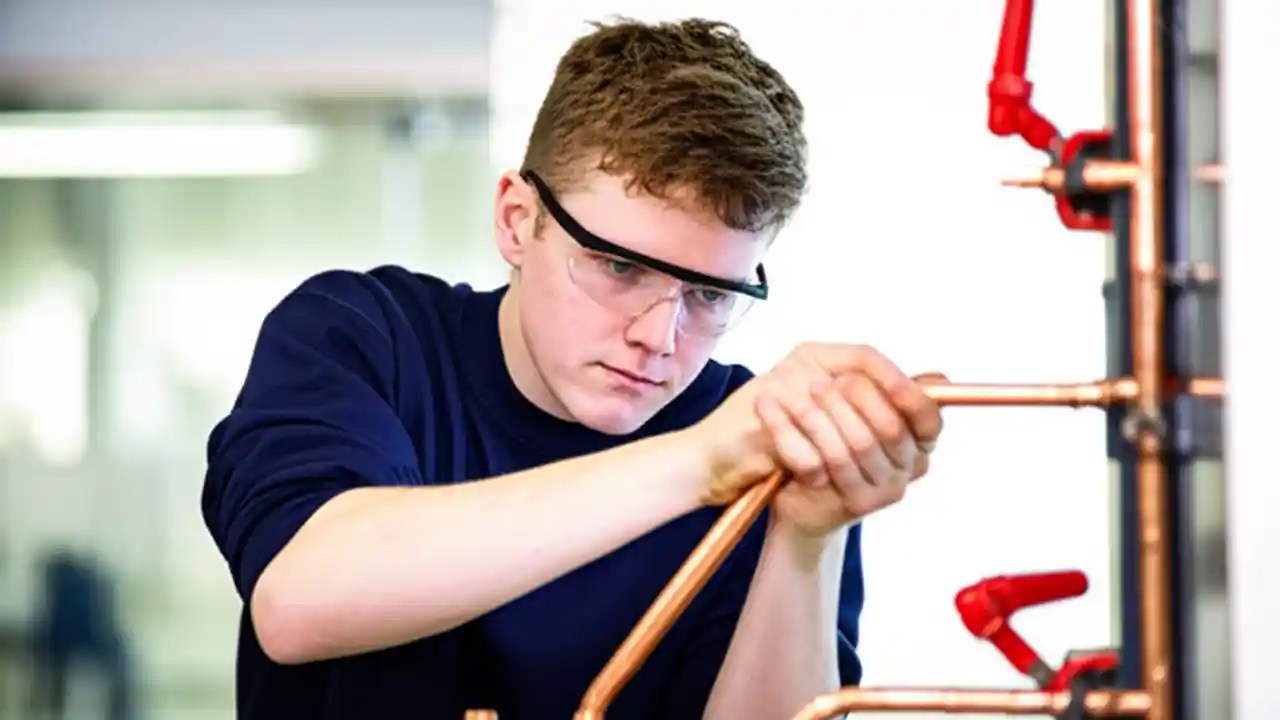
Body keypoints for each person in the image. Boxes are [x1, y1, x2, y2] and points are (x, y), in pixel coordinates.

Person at [201, 16, 944, 720]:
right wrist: (699, 461)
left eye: (710, 294)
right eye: (619, 266)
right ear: (518, 221)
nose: (660, 336)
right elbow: (300, 603)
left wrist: (808, 536)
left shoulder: (767, 441)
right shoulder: (366, 336)